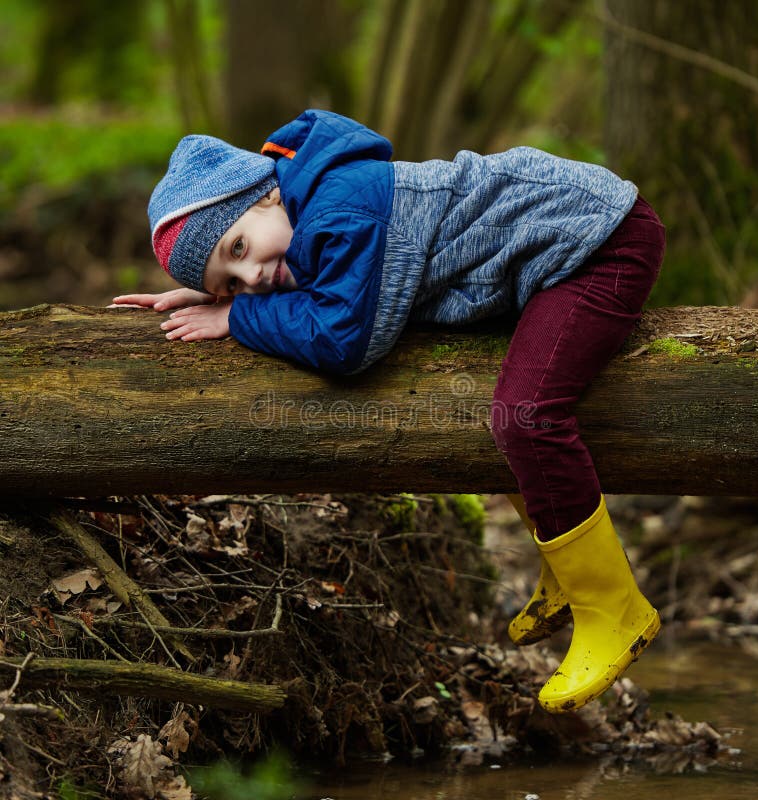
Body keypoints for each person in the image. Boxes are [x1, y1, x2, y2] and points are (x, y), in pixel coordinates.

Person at [113, 109, 665, 713]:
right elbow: (307, 272)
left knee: (526, 414)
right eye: (233, 282)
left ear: (269, 194)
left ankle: (614, 608)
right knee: (484, 405)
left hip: (595, 241)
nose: (253, 277)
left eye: (238, 250)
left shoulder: (345, 205)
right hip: (540, 257)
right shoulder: (300, 208)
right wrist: (207, 288)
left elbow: (345, 338)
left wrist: (236, 317)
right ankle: (567, 574)